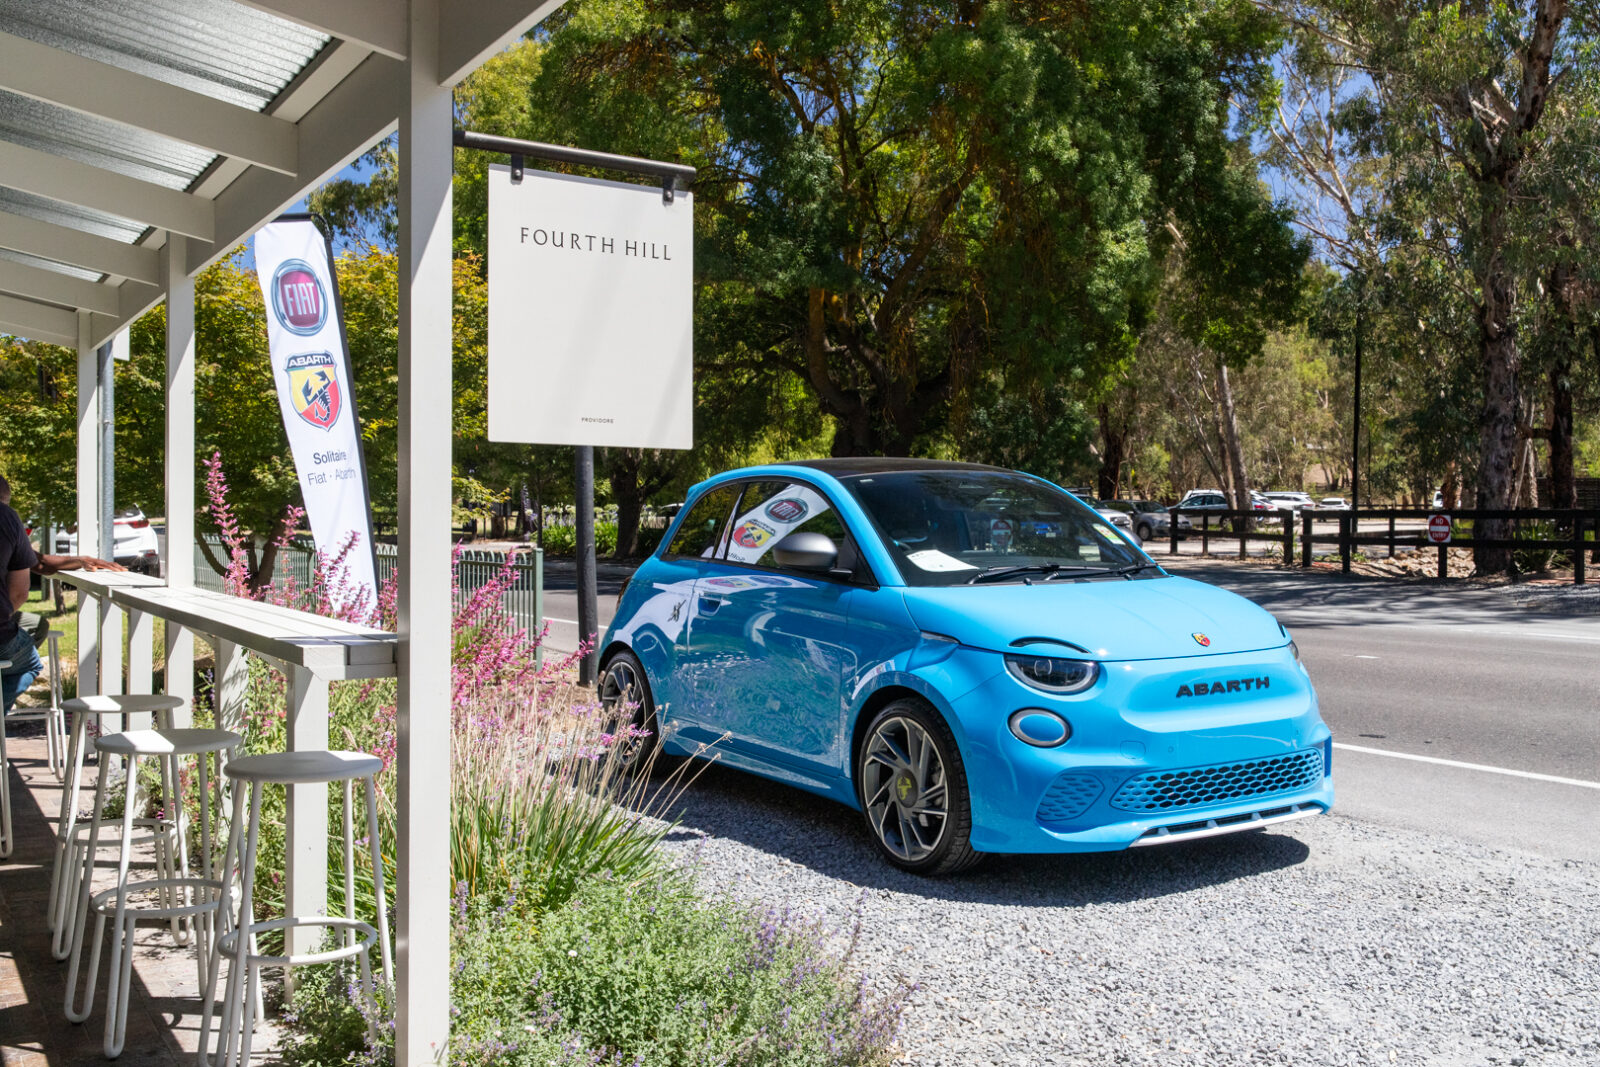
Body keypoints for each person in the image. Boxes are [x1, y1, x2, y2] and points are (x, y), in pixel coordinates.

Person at [0, 476, 123, 711]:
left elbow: (39, 562)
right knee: (29, 664)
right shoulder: (6, 517)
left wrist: (79, 560)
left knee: (36, 624)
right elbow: (19, 593)